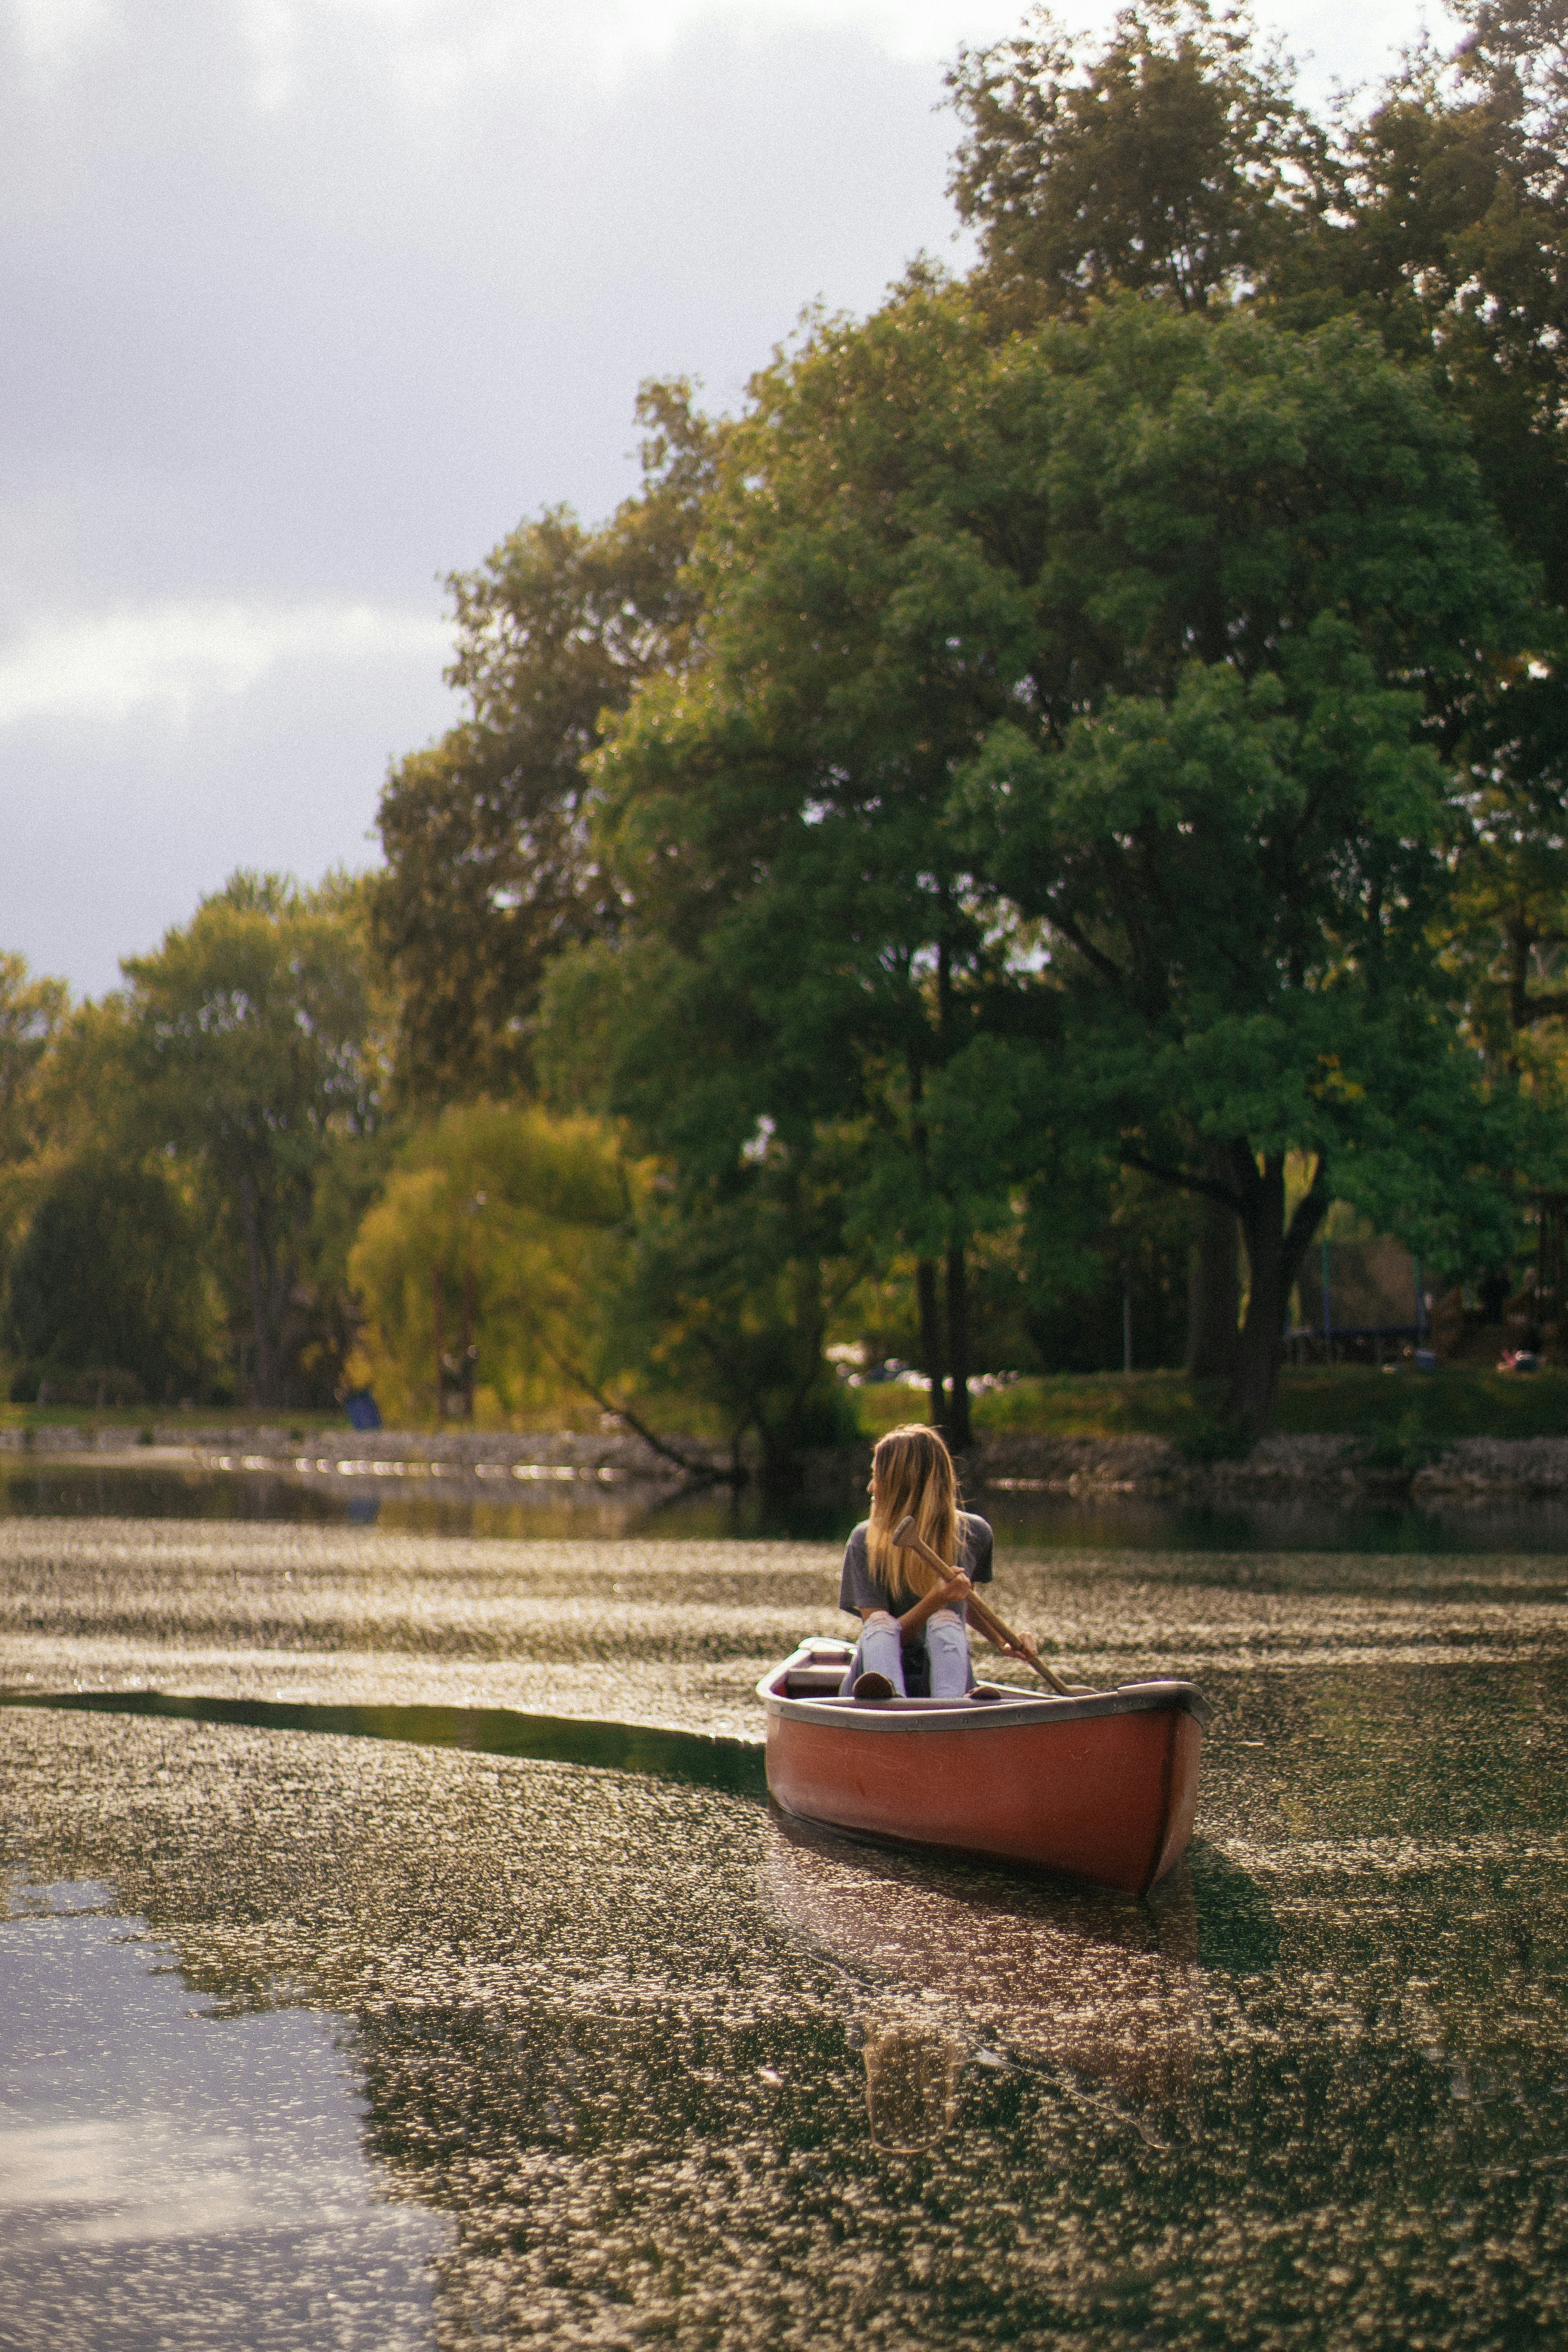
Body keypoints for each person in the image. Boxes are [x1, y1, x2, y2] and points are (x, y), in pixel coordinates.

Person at [838, 1423, 994, 1700]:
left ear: (904, 1484)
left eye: (877, 1477)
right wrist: (934, 1600)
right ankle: (893, 1702)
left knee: (947, 1621)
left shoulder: (975, 1533)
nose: (870, 1487)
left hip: (947, 1675)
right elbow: (883, 1641)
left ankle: (949, 1709)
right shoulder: (864, 1540)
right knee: (880, 1625)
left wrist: (1008, 1643)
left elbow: (967, 1606)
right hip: (879, 1672)